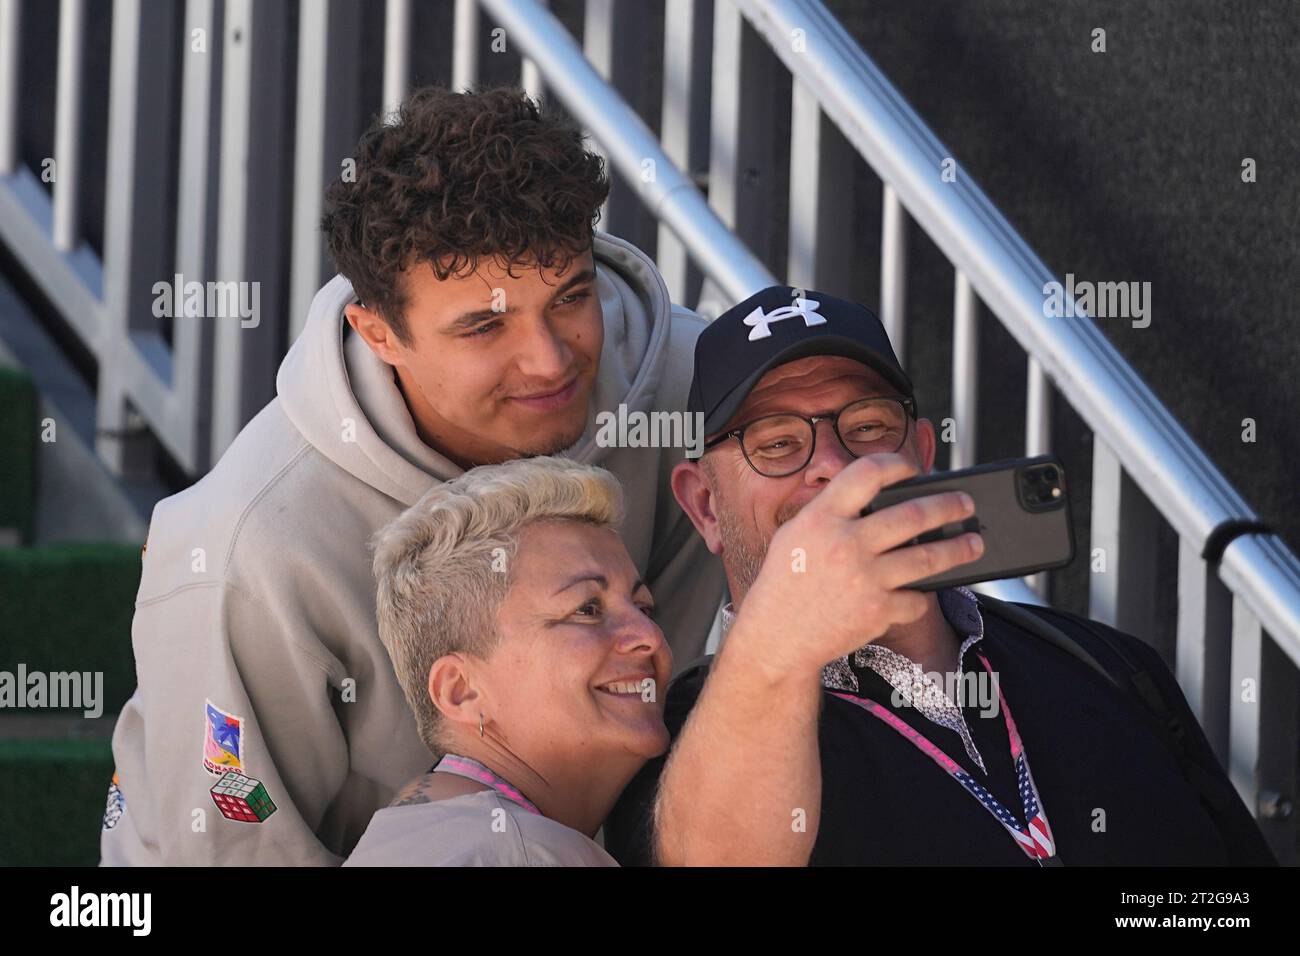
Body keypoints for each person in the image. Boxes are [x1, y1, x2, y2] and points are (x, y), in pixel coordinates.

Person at [102, 87, 723, 865]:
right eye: (485, 326)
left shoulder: (709, 393)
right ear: (378, 332)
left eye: (570, 296)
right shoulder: (245, 547)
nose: (551, 360)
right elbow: (232, 845)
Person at [605, 285, 1276, 866]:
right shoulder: (670, 735)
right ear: (705, 507)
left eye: (867, 427)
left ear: (922, 456)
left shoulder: (1108, 663)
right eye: (777, 443)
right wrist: (780, 641)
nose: (838, 467)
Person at [343, 457, 670, 866]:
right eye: (587, 609)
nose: (649, 637)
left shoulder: (415, 838)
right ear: (461, 690)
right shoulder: (525, 853)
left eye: (644, 607)